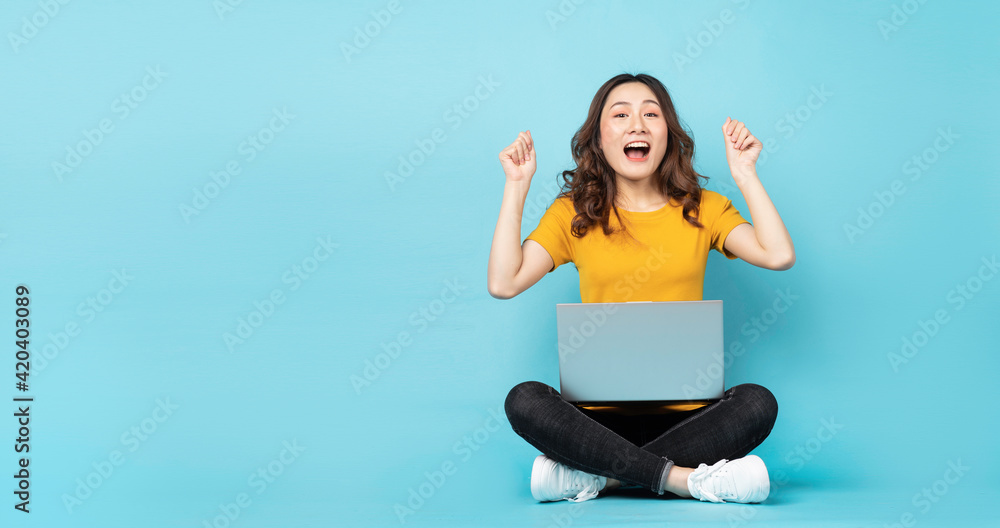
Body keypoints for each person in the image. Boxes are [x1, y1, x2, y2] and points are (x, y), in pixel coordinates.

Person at [486, 73, 795, 504]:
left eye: (651, 114)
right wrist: (516, 186)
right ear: (598, 137)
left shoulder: (704, 208)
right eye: (621, 115)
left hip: (689, 419)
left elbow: (778, 254)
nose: (637, 125)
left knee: (757, 402)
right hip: (596, 422)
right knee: (525, 399)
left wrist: (746, 174)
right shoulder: (572, 214)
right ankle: (686, 481)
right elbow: (504, 282)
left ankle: (602, 477)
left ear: (668, 134)